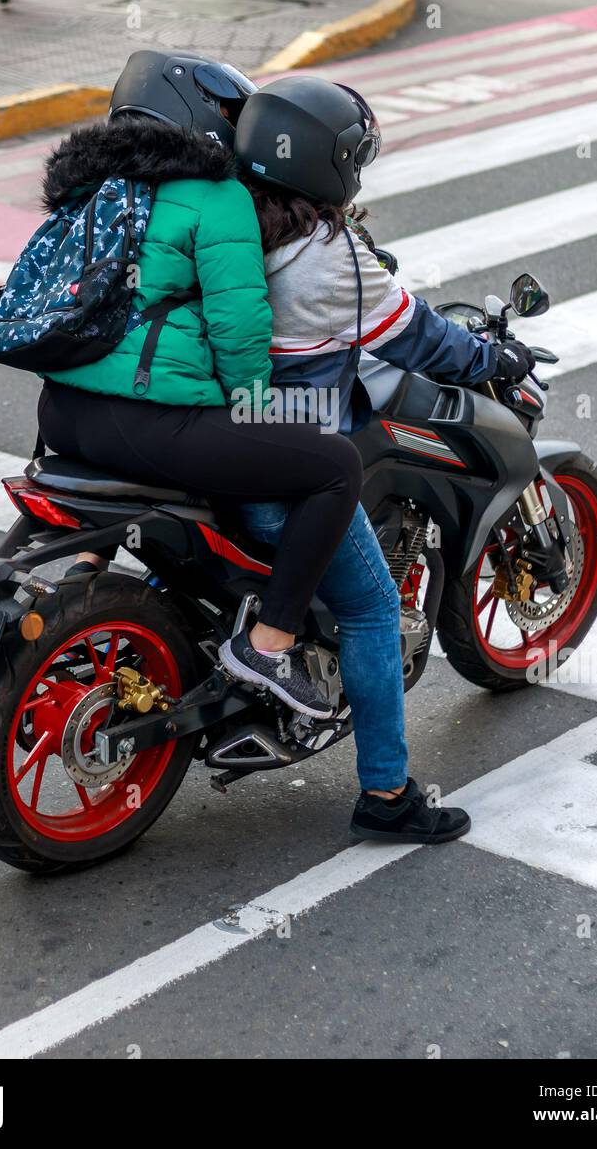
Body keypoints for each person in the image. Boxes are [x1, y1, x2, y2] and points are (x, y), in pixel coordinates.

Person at [234, 77, 535, 843]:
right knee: (372, 608)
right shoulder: (329, 255)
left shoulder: (230, 222)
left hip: (210, 443)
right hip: (287, 471)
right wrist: (493, 355)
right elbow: (418, 337)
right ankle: (389, 795)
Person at [39, 51, 363, 722]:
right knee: (334, 468)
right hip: (151, 426)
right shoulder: (216, 198)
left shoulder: (92, 186)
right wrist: (257, 408)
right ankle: (269, 644)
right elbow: (241, 329)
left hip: (59, 417)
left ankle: (83, 577)